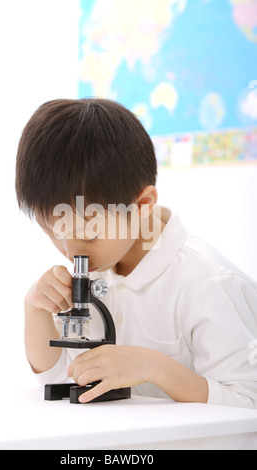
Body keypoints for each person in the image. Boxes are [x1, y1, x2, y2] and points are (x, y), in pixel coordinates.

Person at [15, 98, 257, 408]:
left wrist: (156, 368)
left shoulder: (209, 283)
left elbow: (248, 403)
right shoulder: (101, 265)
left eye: (88, 235)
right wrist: (34, 307)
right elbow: (64, 378)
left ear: (142, 206)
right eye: (53, 234)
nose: (71, 252)